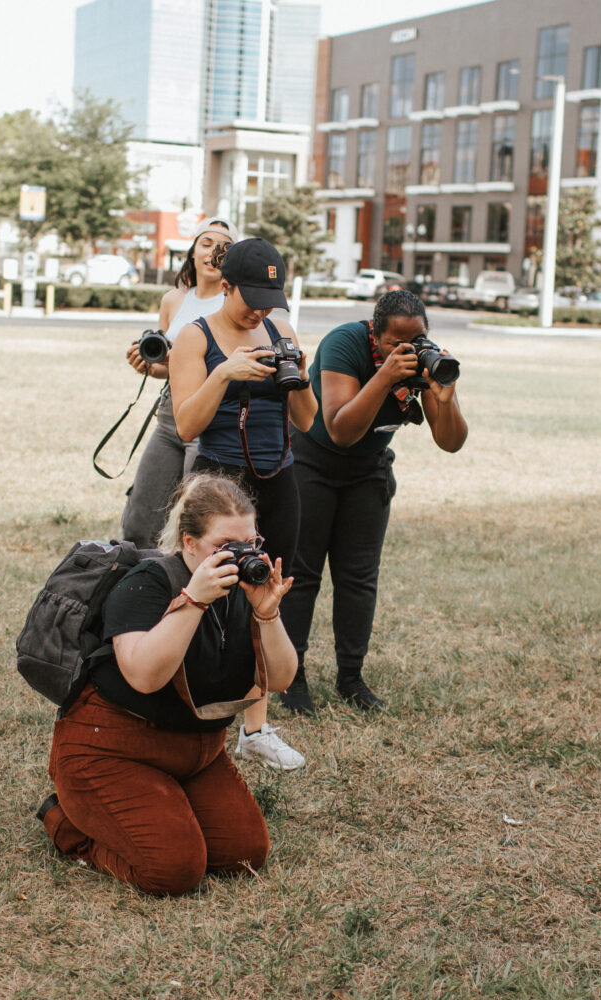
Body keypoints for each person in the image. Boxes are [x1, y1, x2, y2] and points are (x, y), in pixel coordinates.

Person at [38, 473, 298, 895]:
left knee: (244, 854)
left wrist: (267, 613)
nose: (240, 557)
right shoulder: (147, 582)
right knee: (175, 871)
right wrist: (194, 601)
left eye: (250, 544)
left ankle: (165, 799)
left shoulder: (243, 591)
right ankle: (68, 822)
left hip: (197, 753)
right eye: (224, 547)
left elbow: (282, 677)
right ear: (188, 542)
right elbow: (144, 675)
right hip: (111, 748)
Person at [276, 290, 467, 715]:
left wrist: (444, 397)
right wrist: (383, 377)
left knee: (359, 577)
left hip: (369, 471)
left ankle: (351, 677)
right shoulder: (345, 343)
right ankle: (292, 678)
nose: (405, 350)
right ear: (373, 334)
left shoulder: (427, 359)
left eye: (415, 339)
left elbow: (451, 442)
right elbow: (341, 428)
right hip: (314, 463)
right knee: (302, 575)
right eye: (392, 342)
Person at [168, 238, 318, 770]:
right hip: (219, 482)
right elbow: (187, 424)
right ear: (224, 284)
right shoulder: (196, 336)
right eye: (249, 296)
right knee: (212, 597)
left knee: (266, 591)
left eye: (269, 298)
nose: (259, 309)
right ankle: (188, 711)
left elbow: (306, 419)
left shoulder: (280, 328)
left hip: (279, 476)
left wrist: (296, 372)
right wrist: (223, 373)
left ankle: (256, 730)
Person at [118, 219, 233, 546]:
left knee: (192, 518)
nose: (213, 252)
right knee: (142, 514)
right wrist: (146, 365)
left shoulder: (233, 304)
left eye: (223, 246)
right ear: (193, 252)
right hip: (169, 416)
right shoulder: (173, 300)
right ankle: (137, 587)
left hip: (210, 417)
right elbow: (166, 367)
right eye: (206, 243)